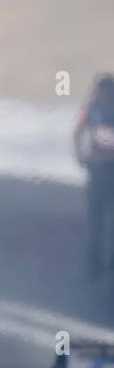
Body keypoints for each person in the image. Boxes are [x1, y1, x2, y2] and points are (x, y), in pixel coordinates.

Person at [75, 74, 114, 273]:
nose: (100, 95)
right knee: (96, 218)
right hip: (98, 170)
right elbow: (79, 131)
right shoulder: (92, 109)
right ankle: (94, 261)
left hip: (108, 168)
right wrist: (80, 154)